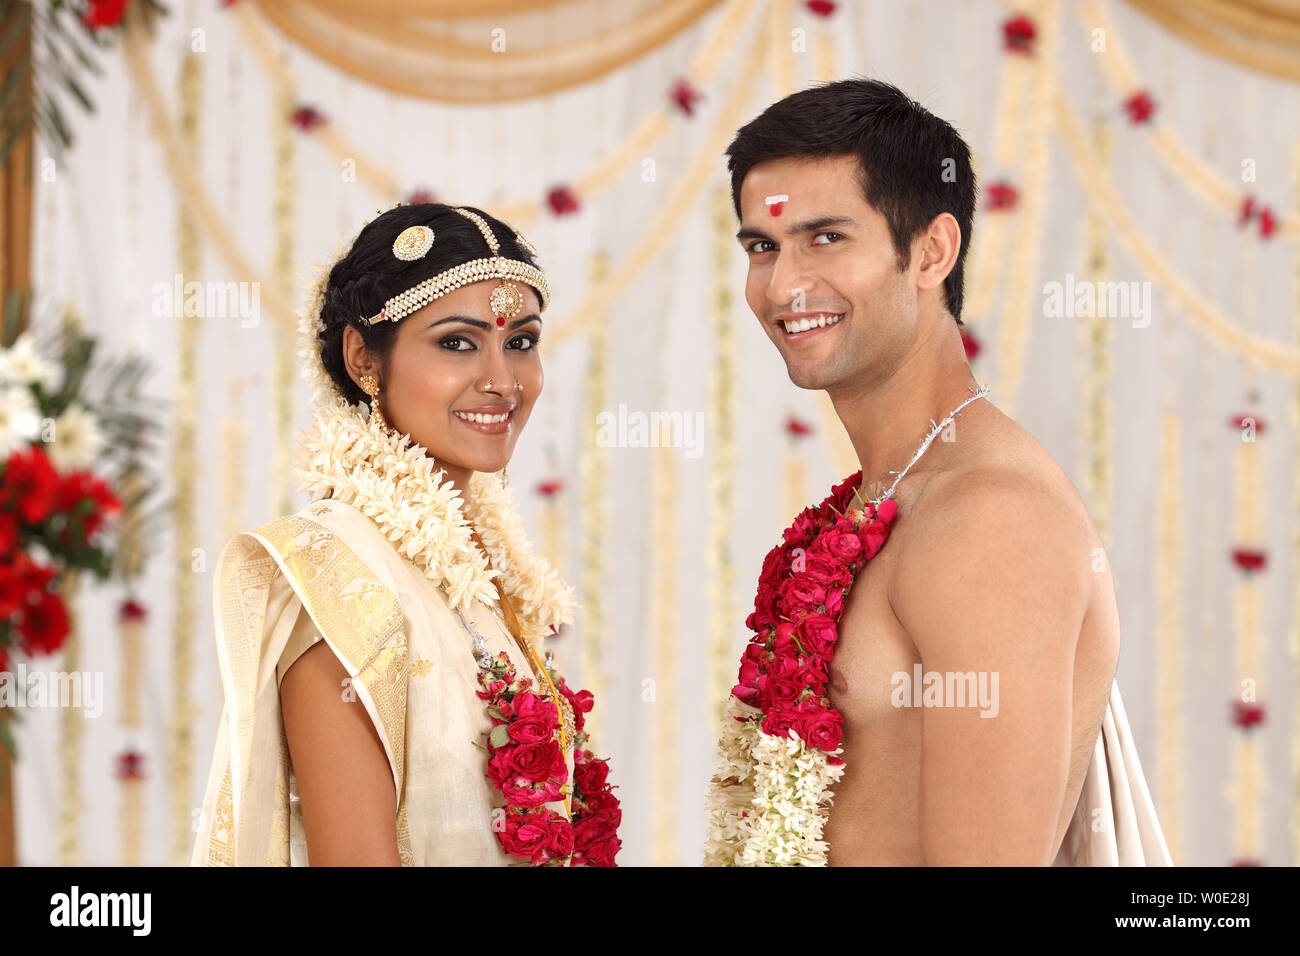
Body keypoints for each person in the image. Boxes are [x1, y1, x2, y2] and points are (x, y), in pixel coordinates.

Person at [704, 79, 1171, 867]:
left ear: (931, 251)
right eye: (763, 246)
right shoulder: (880, 501)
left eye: (825, 238)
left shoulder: (990, 517)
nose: (783, 287)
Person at [192, 203, 621, 866]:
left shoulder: (482, 573)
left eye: (522, 341)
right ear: (364, 358)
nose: (502, 381)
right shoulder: (337, 573)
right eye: (457, 342)